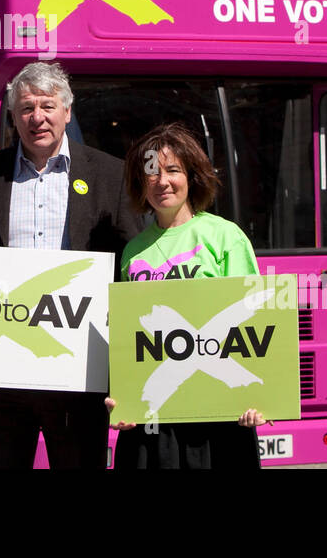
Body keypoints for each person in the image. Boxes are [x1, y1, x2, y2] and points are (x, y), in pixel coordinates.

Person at [0, 60, 139, 469]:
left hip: (79, 371)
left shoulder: (111, 175)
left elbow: (132, 268)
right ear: (14, 117)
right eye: (26, 108)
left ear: (67, 112)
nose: (37, 117)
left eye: (47, 106)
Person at [104, 121, 267, 469]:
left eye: (173, 170)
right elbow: (127, 337)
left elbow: (254, 318)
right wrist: (122, 400)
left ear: (192, 176)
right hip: (153, 424)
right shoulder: (133, 252)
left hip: (218, 417)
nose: (162, 181)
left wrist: (258, 397)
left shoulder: (225, 237)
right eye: (151, 172)